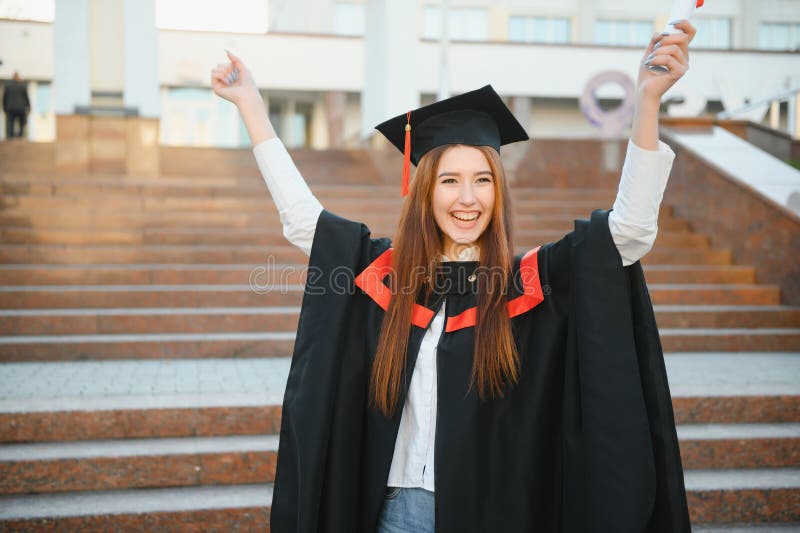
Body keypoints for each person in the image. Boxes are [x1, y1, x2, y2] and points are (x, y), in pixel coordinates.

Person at [212, 19, 696, 533]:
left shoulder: (529, 282)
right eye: (450, 181)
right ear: (425, 191)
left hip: (495, 514)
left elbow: (630, 233)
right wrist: (251, 106)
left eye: (482, 180)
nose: (468, 198)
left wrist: (647, 103)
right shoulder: (387, 276)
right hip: (394, 513)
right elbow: (303, 219)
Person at [3, 71, 30, 139]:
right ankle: (20, 137)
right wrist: (29, 107)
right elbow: (26, 97)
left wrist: (4, 107)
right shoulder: (22, 86)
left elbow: (4, 98)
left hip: (10, 108)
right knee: (21, 123)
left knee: (10, 123)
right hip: (21, 108)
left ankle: (10, 137)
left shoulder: (8, 86)